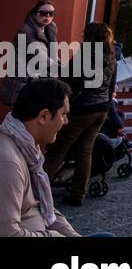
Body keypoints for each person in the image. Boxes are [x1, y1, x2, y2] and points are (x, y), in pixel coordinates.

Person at [44, 24, 116, 206]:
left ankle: (37, 195)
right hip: (101, 108)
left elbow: (69, 80)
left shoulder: (86, 55)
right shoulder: (110, 55)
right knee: (85, 151)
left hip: (83, 108)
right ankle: (78, 194)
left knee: (56, 151)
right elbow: (111, 85)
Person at [1, 79, 78, 236]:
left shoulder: (28, 147)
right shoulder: (9, 163)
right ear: (43, 116)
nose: (66, 121)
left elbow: (45, 207)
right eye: (63, 114)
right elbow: (7, 234)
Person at [1, 1, 59, 106]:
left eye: (51, 13)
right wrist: (65, 69)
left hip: (34, 82)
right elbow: (40, 59)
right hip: (21, 84)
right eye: (43, 13)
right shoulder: (26, 33)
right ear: (34, 14)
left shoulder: (48, 30)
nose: (47, 16)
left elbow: (53, 56)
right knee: (22, 118)